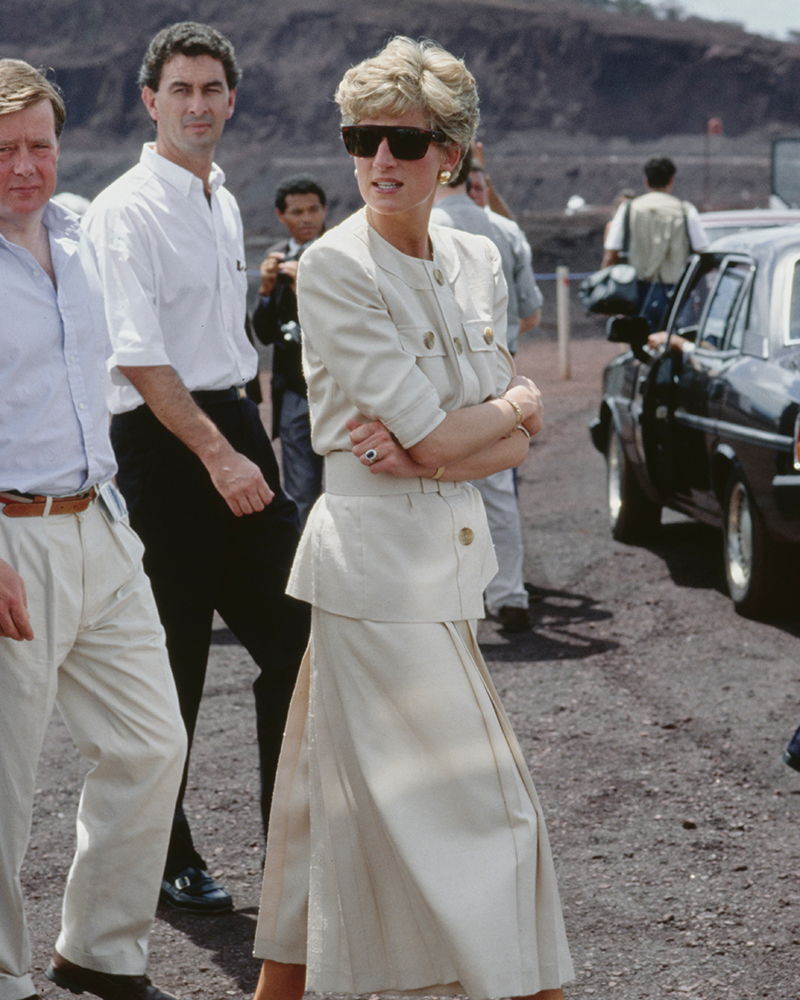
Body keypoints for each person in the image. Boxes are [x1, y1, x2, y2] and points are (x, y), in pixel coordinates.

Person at [251, 36, 573, 1000]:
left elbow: (497, 445)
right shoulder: (333, 266)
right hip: (374, 582)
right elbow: (440, 437)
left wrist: (500, 419)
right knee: (493, 818)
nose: (380, 159)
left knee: (326, 809)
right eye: (362, 138)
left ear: (451, 155)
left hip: (447, 569)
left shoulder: (476, 256)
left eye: (404, 139)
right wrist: (502, 414)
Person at [83, 22, 310, 915]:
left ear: (232, 99)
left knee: (301, 639)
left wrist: (243, 440)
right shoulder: (124, 210)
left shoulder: (221, 200)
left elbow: (226, 344)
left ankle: (290, 844)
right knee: (170, 666)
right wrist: (218, 456)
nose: (198, 104)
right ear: (151, 101)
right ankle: (166, 856)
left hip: (231, 424)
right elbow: (138, 357)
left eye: (212, 89)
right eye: (180, 89)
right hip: (162, 445)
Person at [0, 59, 186, 1000]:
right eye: (3, 149)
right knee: (3, 778)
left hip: (101, 526)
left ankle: (101, 950)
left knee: (152, 743)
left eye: (39, 145)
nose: (24, 166)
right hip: (11, 538)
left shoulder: (78, 235)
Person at [432, 149, 544, 632]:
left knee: (439, 482)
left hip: (438, 374)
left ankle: (451, 596)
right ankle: (509, 593)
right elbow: (531, 312)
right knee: (498, 489)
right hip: (497, 372)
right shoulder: (505, 231)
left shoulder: (418, 227)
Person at [251, 175, 327, 525]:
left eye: (313, 209)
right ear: (281, 216)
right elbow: (265, 334)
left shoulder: (341, 253)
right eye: (297, 212)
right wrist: (267, 290)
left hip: (338, 388)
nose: (307, 218)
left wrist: (306, 288)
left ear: (324, 210)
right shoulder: (278, 258)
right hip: (294, 391)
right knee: (300, 492)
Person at [602, 156, 708, 329]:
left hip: (636, 294)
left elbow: (610, 254)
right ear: (671, 180)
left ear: (646, 181)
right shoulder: (686, 211)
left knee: (640, 340)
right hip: (677, 293)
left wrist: (606, 294)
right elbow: (702, 251)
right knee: (674, 340)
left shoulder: (627, 210)